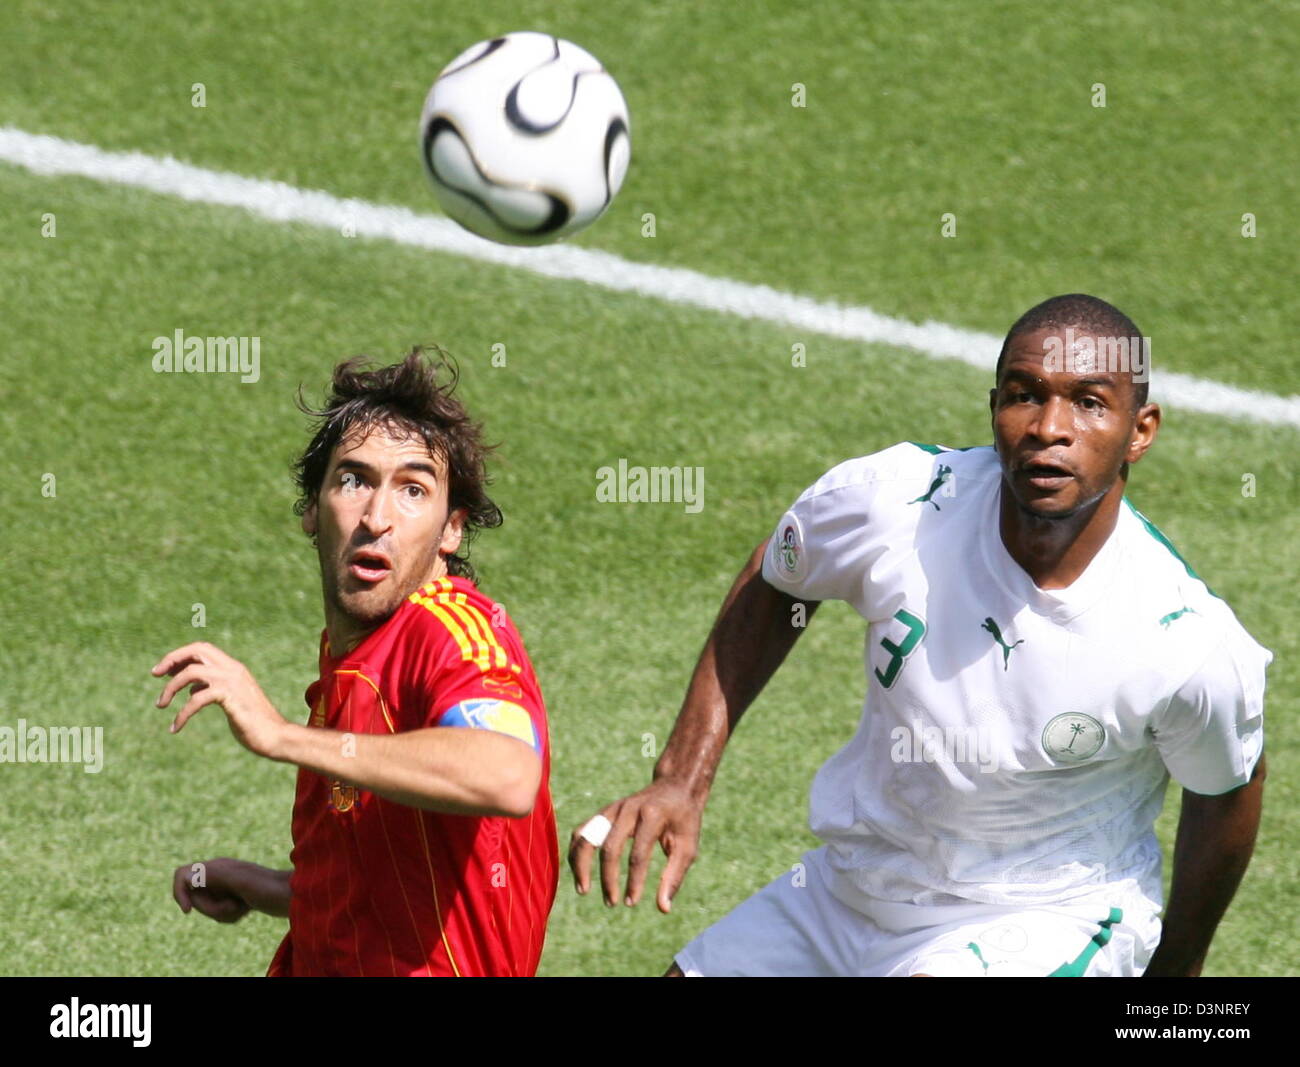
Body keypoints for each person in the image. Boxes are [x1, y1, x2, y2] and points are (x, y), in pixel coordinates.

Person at [569, 294, 1269, 977]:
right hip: (850, 888)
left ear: (1140, 430)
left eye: (1088, 401)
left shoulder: (1184, 641)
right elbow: (780, 576)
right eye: (1024, 394)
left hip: (1044, 915)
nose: (1048, 426)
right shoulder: (894, 502)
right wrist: (682, 781)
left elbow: (1229, 788)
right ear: (994, 407)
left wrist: (1177, 972)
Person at [158, 348, 557, 976]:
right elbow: (381, 879)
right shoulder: (349, 658)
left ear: (451, 530)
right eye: (353, 480)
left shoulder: (455, 634)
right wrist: (267, 887)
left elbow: (507, 776)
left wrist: (280, 736)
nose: (377, 517)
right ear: (312, 510)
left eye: (413, 490)